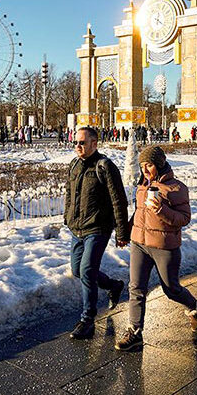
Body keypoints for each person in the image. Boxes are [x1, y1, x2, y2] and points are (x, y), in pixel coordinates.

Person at [115, 146, 197, 351]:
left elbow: (184, 218)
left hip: (165, 247)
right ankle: (135, 331)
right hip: (139, 244)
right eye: (142, 166)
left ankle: (194, 306)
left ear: (160, 165)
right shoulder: (142, 186)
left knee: (171, 289)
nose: (145, 170)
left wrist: (161, 210)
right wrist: (126, 234)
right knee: (136, 288)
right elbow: (138, 213)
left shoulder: (176, 188)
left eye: (150, 165)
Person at [64, 127, 129, 340]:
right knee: (77, 270)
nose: (78, 146)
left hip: (97, 228)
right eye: (76, 142)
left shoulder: (105, 167)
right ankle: (113, 286)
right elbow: (69, 193)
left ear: (94, 143)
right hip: (77, 228)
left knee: (87, 270)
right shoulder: (74, 164)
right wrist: (68, 217)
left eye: (82, 142)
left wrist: (122, 231)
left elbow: (118, 199)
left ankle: (87, 320)